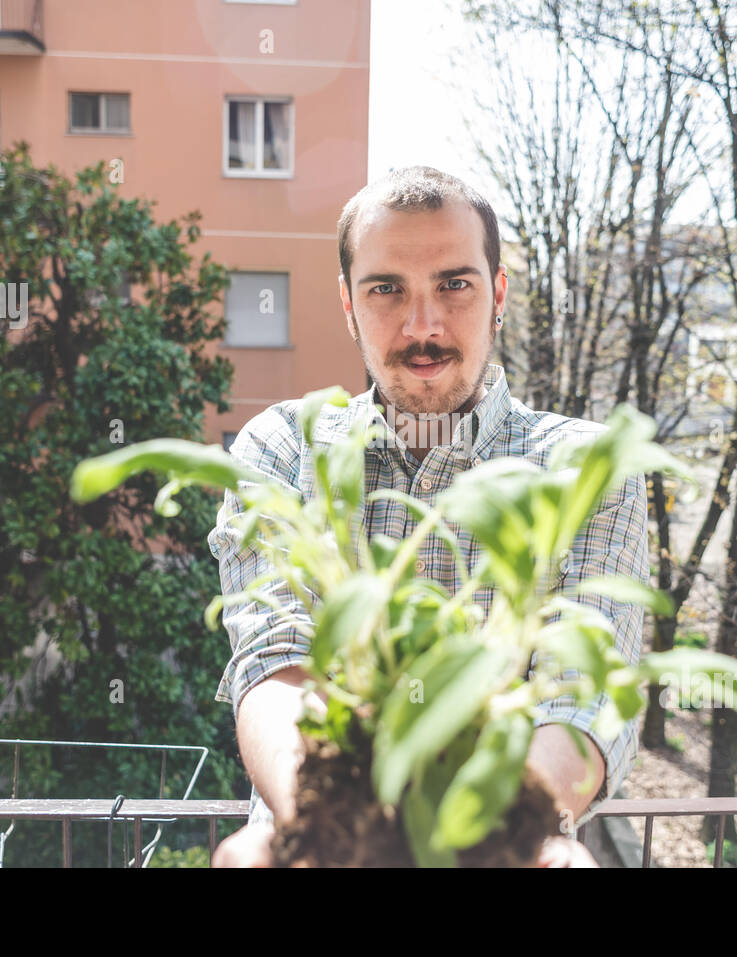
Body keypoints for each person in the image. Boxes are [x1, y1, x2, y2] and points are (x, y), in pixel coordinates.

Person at [208, 167, 649, 867]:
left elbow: (583, 699)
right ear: (350, 304)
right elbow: (276, 667)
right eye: (387, 289)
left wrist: (475, 840)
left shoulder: (584, 467)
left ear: (497, 294)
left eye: (454, 284)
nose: (424, 326)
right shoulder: (283, 448)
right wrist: (346, 839)